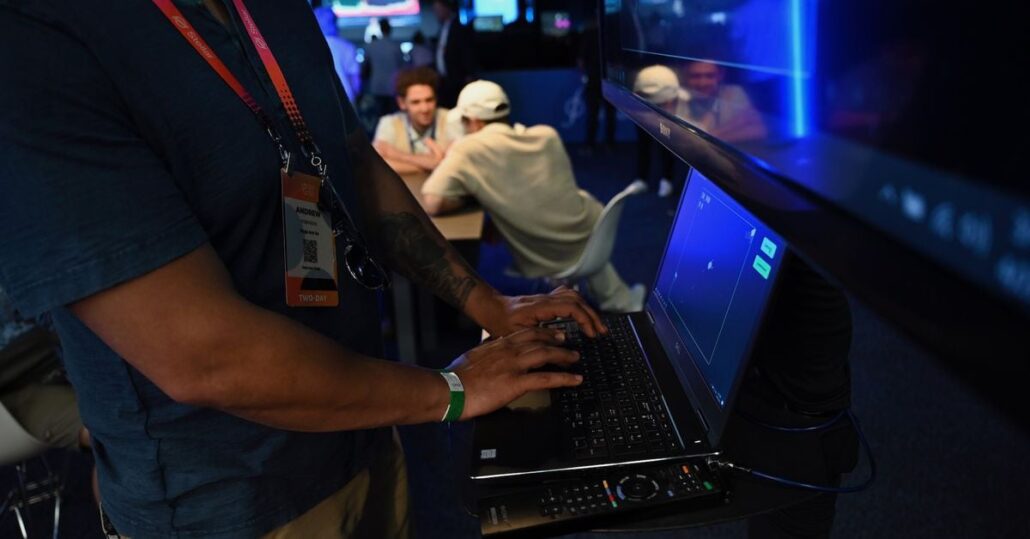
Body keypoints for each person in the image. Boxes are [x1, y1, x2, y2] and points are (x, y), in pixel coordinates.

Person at [0, 2, 607, 537]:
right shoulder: (39, 35)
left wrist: (486, 302)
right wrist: (451, 389)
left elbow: (349, 159)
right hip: (228, 501)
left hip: (369, 425)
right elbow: (204, 357)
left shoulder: (275, 11)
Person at [421, 80, 646, 313]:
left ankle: (611, 300)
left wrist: (474, 196)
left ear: (474, 121)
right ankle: (620, 301)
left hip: (547, 255)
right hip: (592, 231)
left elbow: (432, 202)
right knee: (576, 224)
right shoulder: (547, 135)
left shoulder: (468, 149)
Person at [372, 66, 462, 175]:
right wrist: (431, 164)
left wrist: (397, 155)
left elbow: (456, 164)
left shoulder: (450, 118)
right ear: (402, 103)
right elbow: (377, 167)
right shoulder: (389, 123)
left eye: (429, 100)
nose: (424, 109)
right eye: (416, 102)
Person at [632, 64, 689, 197]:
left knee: (666, 147)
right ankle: (642, 179)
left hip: (665, 117)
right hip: (643, 110)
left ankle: (666, 180)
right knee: (643, 145)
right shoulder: (644, 80)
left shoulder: (676, 96)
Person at [680, 59, 767, 143]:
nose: (702, 83)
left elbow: (759, 130)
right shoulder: (680, 97)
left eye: (710, 76)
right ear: (686, 77)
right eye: (695, 76)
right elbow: (687, 139)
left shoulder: (734, 92)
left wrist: (712, 137)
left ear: (720, 76)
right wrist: (735, 124)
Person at [578, 15, 616, 155]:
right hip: (610, 80)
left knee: (592, 114)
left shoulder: (589, 34)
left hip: (594, 79)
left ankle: (590, 145)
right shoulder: (611, 35)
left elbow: (581, 62)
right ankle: (610, 145)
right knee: (610, 114)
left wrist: (585, 71)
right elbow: (617, 60)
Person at [432, 0, 477, 107]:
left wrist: (469, 75)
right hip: (445, 80)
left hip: (458, 79)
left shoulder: (459, 28)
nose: (435, 13)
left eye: (437, 10)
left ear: (446, 8)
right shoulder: (442, 28)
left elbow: (467, 52)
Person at [315, 6, 362, 103]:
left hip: (319, 100)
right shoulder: (347, 47)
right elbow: (355, 81)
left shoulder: (311, 47)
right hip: (346, 99)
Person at [363, 18, 405, 117]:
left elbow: (365, 67)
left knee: (379, 117)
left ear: (380, 29)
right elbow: (402, 67)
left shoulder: (372, 46)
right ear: (390, 29)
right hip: (393, 87)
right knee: (395, 117)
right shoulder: (395, 46)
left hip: (377, 86)